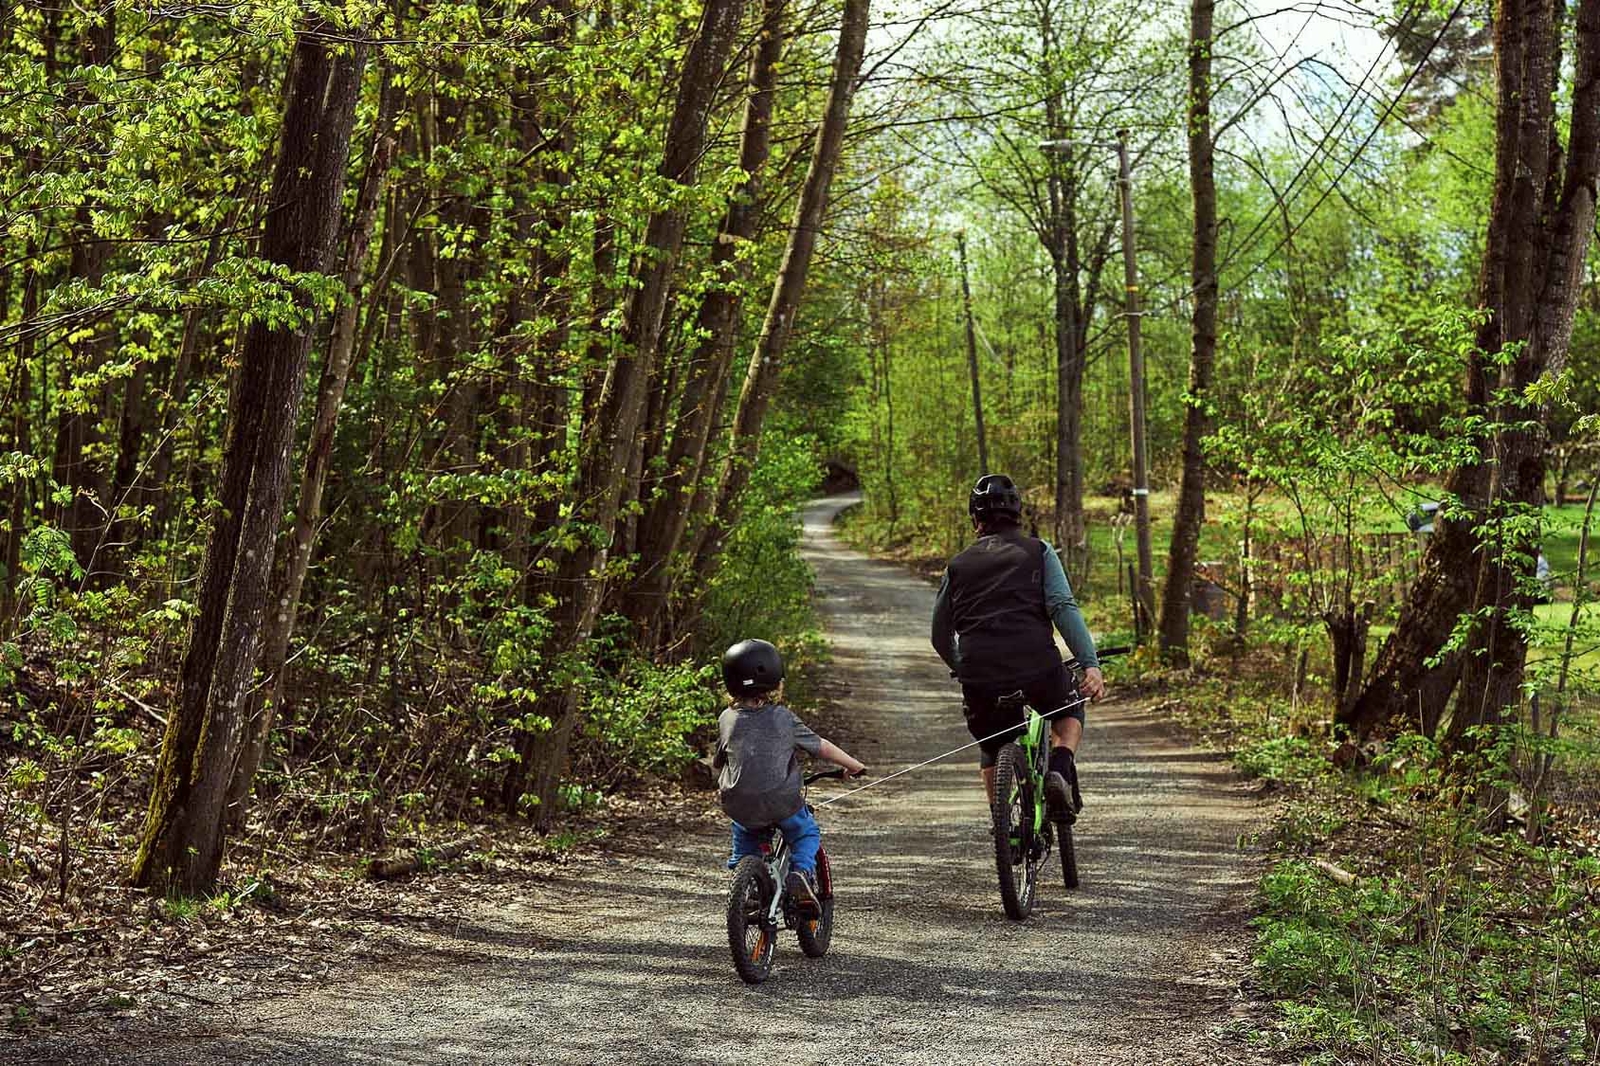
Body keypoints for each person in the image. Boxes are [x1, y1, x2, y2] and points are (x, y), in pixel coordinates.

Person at [931, 473, 1105, 820]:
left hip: (980, 677)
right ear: (1017, 513)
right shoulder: (1038, 552)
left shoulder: (958, 565)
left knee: (992, 746)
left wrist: (963, 667)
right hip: (1037, 667)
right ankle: (1059, 765)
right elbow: (1063, 608)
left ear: (975, 518)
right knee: (1070, 709)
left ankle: (1002, 826)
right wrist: (1090, 664)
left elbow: (939, 633)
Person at [713, 638, 867, 910]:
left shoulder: (726, 719)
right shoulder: (783, 717)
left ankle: (745, 883)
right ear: (775, 681)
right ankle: (801, 873)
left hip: (738, 803)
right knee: (805, 833)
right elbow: (821, 747)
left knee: (746, 836)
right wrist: (853, 765)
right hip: (782, 801)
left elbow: (720, 759)